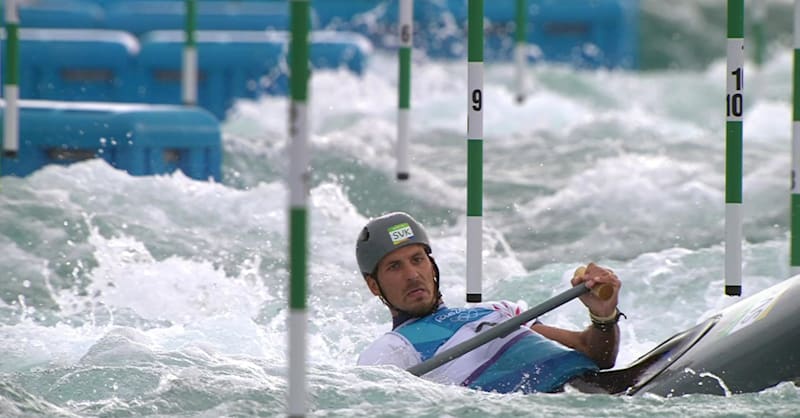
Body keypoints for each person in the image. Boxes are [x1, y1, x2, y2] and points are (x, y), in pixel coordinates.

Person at [355, 211, 623, 394]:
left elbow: (597, 354)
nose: (412, 275)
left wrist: (603, 317)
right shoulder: (390, 350)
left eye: (417, 259)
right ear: (374, 285)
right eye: (394, 267)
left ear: (432, 265)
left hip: (599, 388)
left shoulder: (499, 310)